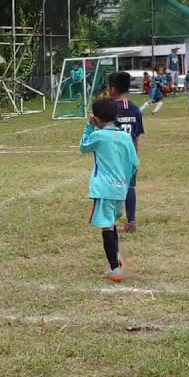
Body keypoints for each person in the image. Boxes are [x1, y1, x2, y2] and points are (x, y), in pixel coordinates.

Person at [80, 98, 138, 283]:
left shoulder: (98, 135)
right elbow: (134, 163)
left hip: (104, 188)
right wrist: (125, 181)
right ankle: (117, 261)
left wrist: (89, 127)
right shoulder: (125, 137)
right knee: (111, 224)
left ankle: (115, 269)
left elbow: (83, 146)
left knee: (107, 227)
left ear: (96, 117)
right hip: (120, 188)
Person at [106, 72, 144, 233]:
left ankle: (110, 222)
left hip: (112, 155)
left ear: (112, 89)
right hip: (129, 155)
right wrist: (135, 157)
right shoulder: (134, 108)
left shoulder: (109, 108)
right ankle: (131, 220)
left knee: (110, 187)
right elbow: (136, 135)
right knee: (129, 187)